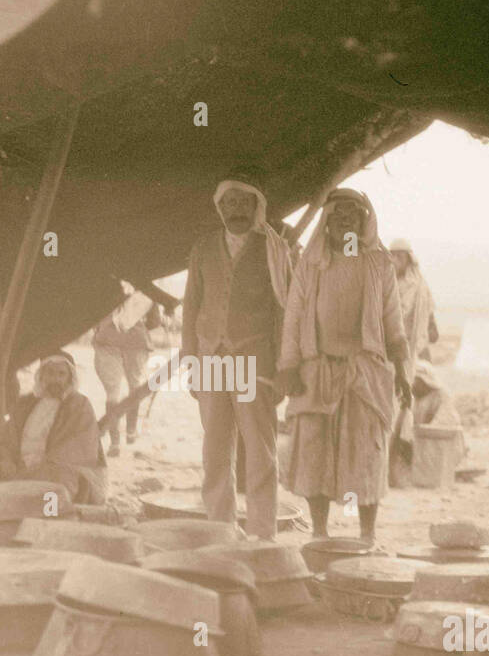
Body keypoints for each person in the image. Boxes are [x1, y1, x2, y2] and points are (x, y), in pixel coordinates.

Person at [280, 188, 411, 543]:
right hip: (317, 369)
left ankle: (366, 535)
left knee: (364, 454)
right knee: (314, 453)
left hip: (364, 373)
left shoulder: (378, 264)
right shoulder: (312, 263)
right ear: (327, 222)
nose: (345, 220)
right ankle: (320, 534)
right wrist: (289, 366)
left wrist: (402, 371)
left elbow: (393, 323)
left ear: (364, 221)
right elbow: (293, 317)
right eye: (338, 214)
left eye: (353, 214)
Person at [182, 168, 292, 539]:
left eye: (244, 202)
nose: (236, 210)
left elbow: (284, 311)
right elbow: (191, 306)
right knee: (215, 449)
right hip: (211, 357)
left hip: (255, 359)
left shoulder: (274, 249)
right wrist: (191, 361)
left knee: (260, 452)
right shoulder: (202, 247)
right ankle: (219, 529)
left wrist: (283, 367)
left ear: (257, 205)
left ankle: (263, 532)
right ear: (220, 207)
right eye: (229, 202)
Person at [0, 351, 107, 505]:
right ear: (41, 376)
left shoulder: (80, 405)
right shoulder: (26, 402)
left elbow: (80, 446)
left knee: (53, 489)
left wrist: (40, 467)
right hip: (18, 464)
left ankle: (47, 521)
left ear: (70, 378)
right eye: (50, 373)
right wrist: (6, 459)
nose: (55, 379)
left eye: (61, 374)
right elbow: (6, 436)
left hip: (58, 469)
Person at [93, 282, 161, 457]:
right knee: (135, 387)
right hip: (136, 341)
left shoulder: (105, 287)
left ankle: (114, 443)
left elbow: (93, 317)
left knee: (112, 394)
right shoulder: (147, 291)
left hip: (107, 339)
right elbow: (155, 322)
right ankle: (131, 432)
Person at [389, 239, 438, 364]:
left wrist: (431, 327)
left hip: (418, 346)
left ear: (408, 259)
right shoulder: (385, 285)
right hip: (393, 346)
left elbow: (429, 315)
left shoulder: (419, 285)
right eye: (392, 256)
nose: (395, 260)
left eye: (399, 256)